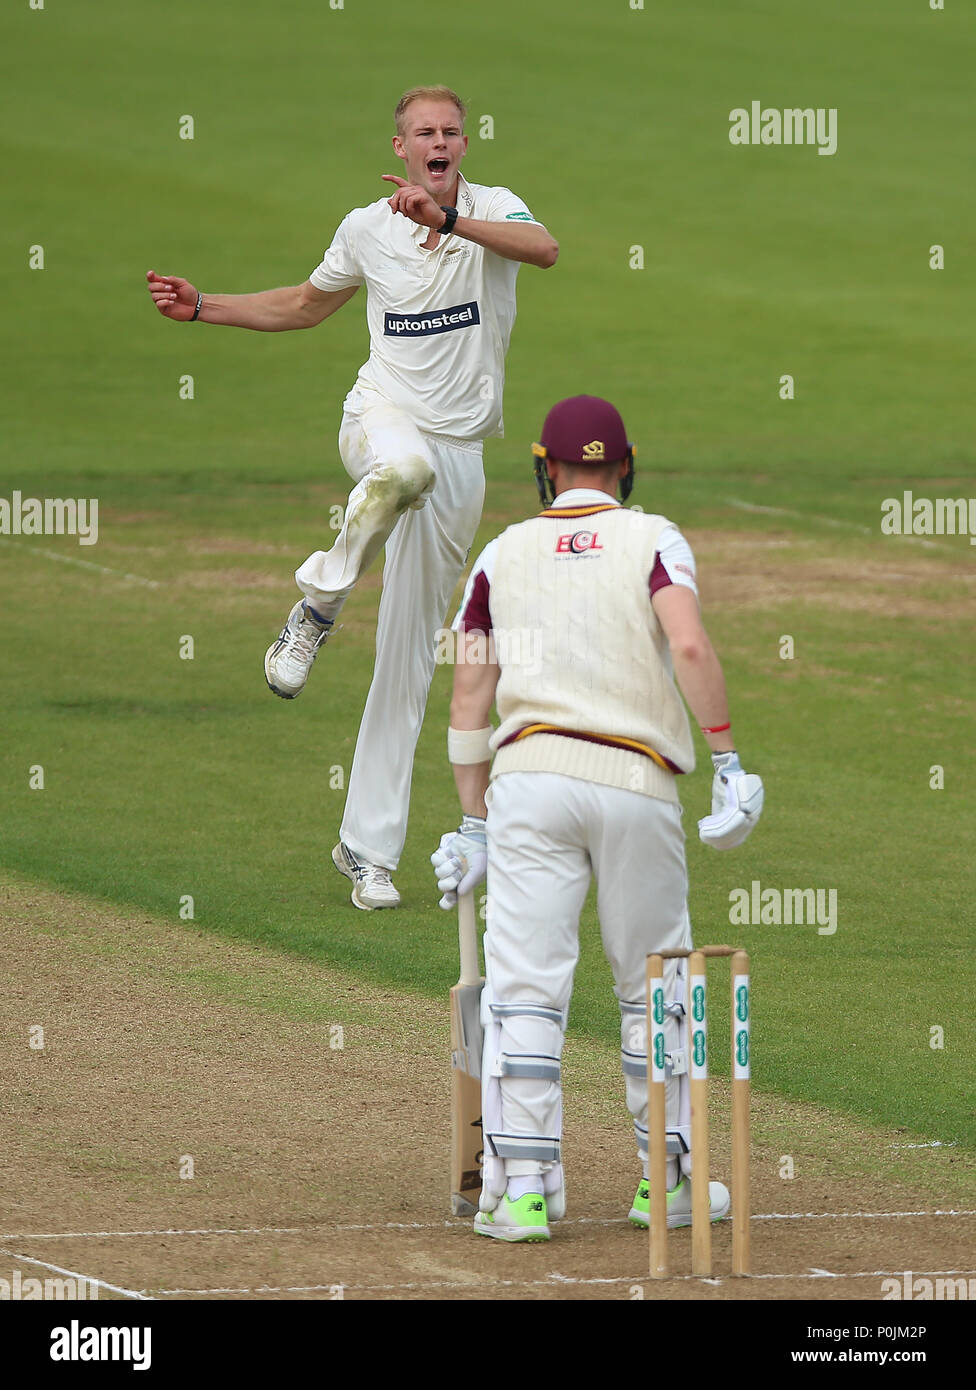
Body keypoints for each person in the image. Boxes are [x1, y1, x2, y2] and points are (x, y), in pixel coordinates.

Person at [146, 85, 558, 910]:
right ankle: (319, 603)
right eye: (423, 134)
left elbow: (544, 249)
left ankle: (366, 852)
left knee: (409, 662)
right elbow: (306, 305)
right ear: (400, 149)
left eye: (450, 132)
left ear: (463, 147)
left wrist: (449, 224)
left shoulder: (492, 212)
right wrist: (206, 310)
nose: (438, 143)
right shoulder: (365, 229)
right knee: (404, 471)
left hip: (463, 453)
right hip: (381, 421)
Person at [431, 396, 764, 1241]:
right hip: (636, 781)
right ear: (625, 465)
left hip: (529, 780)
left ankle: (525, 1192)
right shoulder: (655, 537)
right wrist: (727, 763)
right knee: (658, 983)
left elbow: (470, 693)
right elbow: (687, 646)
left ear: (546, 465)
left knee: (525, 991)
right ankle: (674, 1181)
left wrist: (474, 825)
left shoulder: (500, 555)